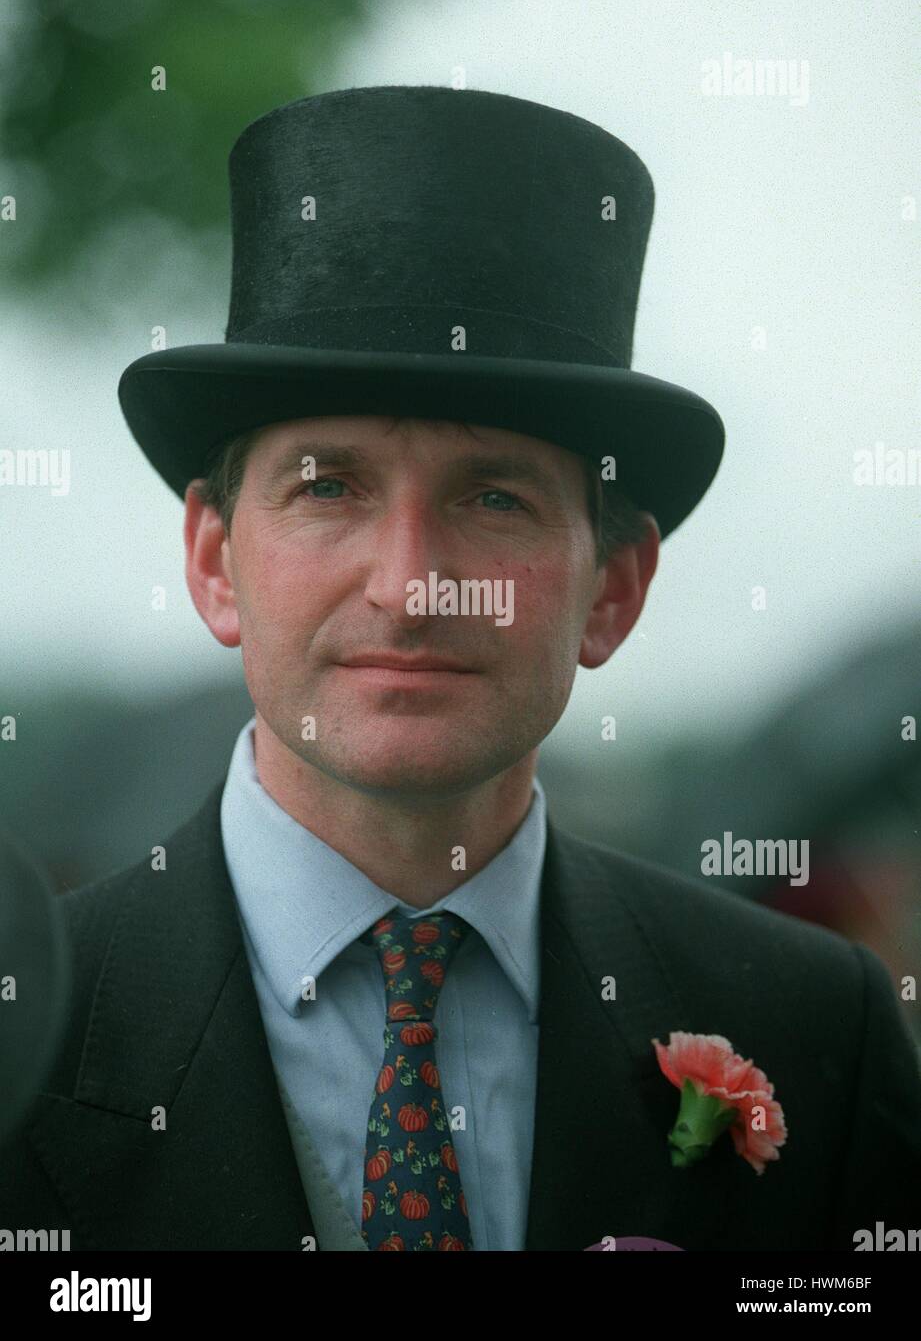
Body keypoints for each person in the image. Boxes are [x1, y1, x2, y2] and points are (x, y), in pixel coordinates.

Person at [1, 86, 919, 1252]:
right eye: (328, 484)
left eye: (495, 496)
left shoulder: (815, 1027)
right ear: (215, 559)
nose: (411, 583)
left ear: (615, 587)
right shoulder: (22, 1035)